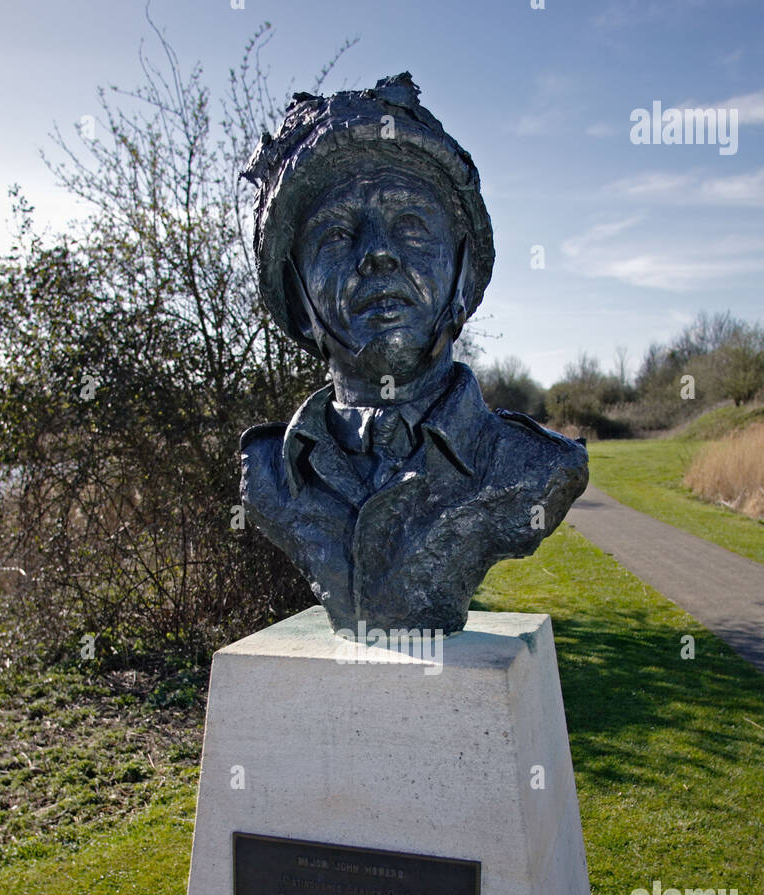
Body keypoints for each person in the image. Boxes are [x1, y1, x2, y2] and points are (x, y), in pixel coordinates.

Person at [240, 73, 587, 636]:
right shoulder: (267, 474)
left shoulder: (534, 467)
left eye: (411, 225)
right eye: (335, 234)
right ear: (299, 302)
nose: (377, 252)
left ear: (464, 274)